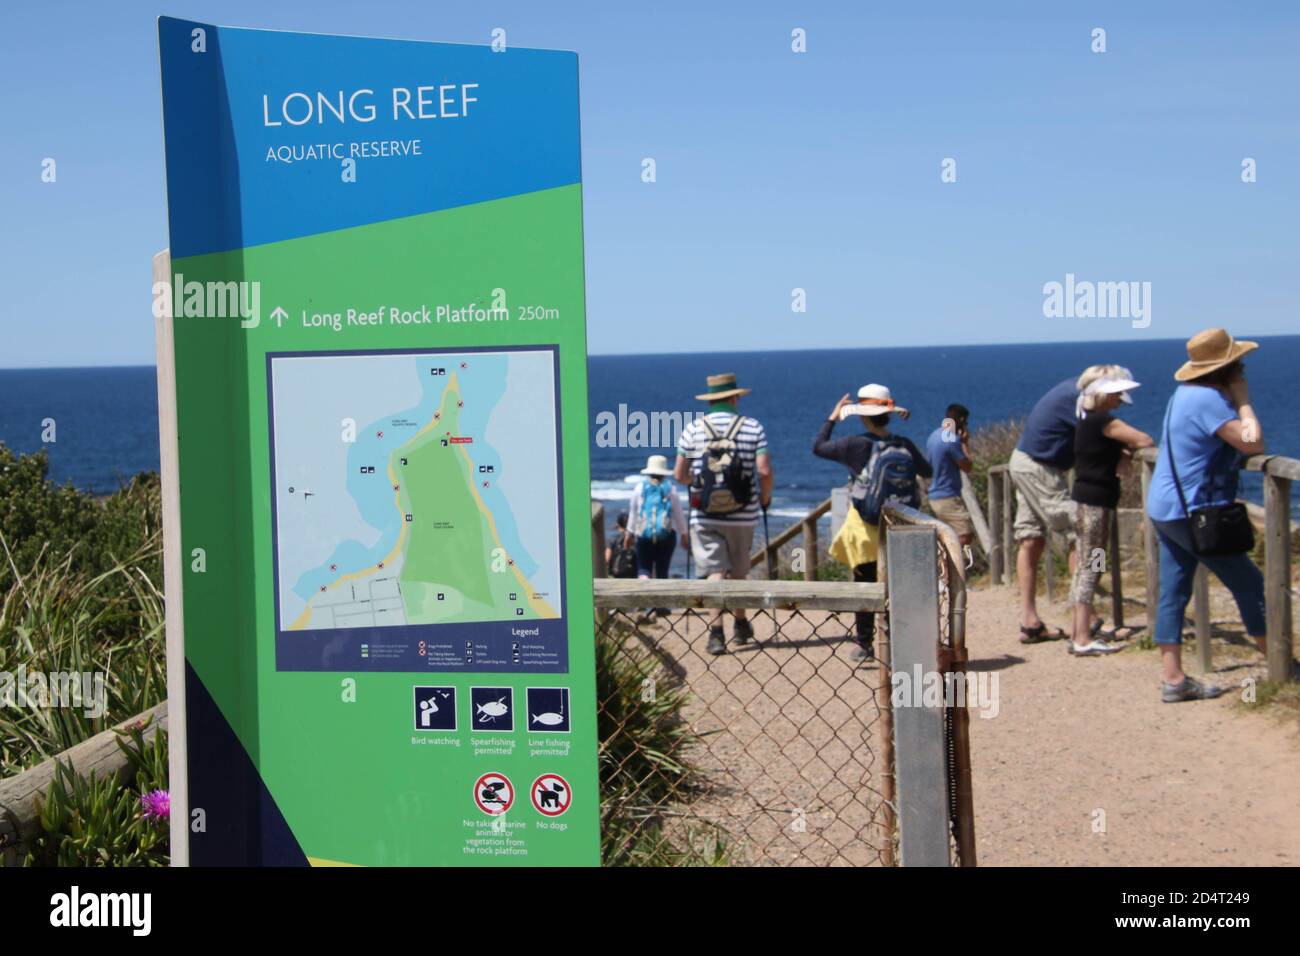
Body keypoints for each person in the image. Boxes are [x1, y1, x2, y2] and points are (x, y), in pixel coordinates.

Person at [1145, 329, 1267, 702]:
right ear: (1227, 369)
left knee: (1174, 590)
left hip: (1166, 506)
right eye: (1238, 366)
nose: (1243, 371)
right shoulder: (1207, 399)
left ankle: (1174, 678)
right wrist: (1243, 401)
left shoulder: (1184, 394)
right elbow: (1253, 443)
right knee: (1251, 585)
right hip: (1194, 510)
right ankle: (1281, 663)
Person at [814, 384, 932, 661]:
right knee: (898, 584)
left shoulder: (855, 444)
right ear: (888, 414)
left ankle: (866, 644)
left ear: (863, 416)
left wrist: (832, 417)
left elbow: (818, 447)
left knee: (865, 584)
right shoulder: (903, 444)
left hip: (866, 528)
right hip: (899, 526)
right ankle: (902, 640)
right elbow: (927, 471)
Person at [674, 373, 774, 656]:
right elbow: (764, 471)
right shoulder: (753, 428)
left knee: (713, 572)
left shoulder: (692, 430)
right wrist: (765, 498)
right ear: (734, 397)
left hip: (704, 514)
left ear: (710, 400)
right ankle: (740, 624)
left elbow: (679, 474)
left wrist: (696, 483)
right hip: (744, 513)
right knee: (739, 571)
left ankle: (715, 632)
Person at [1065, 366, 1153, 657]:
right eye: (1116, 394)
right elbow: (1144, 440)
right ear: (1103, 395)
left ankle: (1079, 631)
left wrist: (1120, 453)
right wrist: (1127, 452)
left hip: (1087, 503)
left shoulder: (1087, 422)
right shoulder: (1104, 422)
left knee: (1089, 567)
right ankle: (1081, 637)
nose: (1119, 400)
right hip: (1096, 506)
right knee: (1091, 569)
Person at [1010, 375, 1081, 643]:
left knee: (1030, 539)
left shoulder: (1065, 392)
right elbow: (1114, 433)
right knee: (1084, 536)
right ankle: (1085, 619)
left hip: (1022, 461)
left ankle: (1029, 622)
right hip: (1042, 470)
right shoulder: (1083, 402)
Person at [627, 454, 688, 618]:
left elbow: (633, 513)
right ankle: (661, 606)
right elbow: (679, 515)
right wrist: (684, 534)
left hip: (643, 535)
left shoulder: (639, 488)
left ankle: (646, 603)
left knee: (644, 568)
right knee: (662, 570)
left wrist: (629, 533)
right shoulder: (670, 489)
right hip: (666, 536)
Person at [925, 404, 975, 547]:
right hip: (947, 496)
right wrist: (965, 443)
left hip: (934, 495)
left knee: (947, 535)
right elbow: (968, 466)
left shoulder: (934, 435)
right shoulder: (952, 440)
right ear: (961, 420)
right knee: (964, 535)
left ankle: (944, 566)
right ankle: (952, 568)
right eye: (965, 423)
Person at [605, 511, 637, 579]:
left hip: (616, 576)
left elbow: (606, 559)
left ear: (618, 524)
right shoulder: (635, 539)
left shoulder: (612, 539)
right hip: (633, 577)